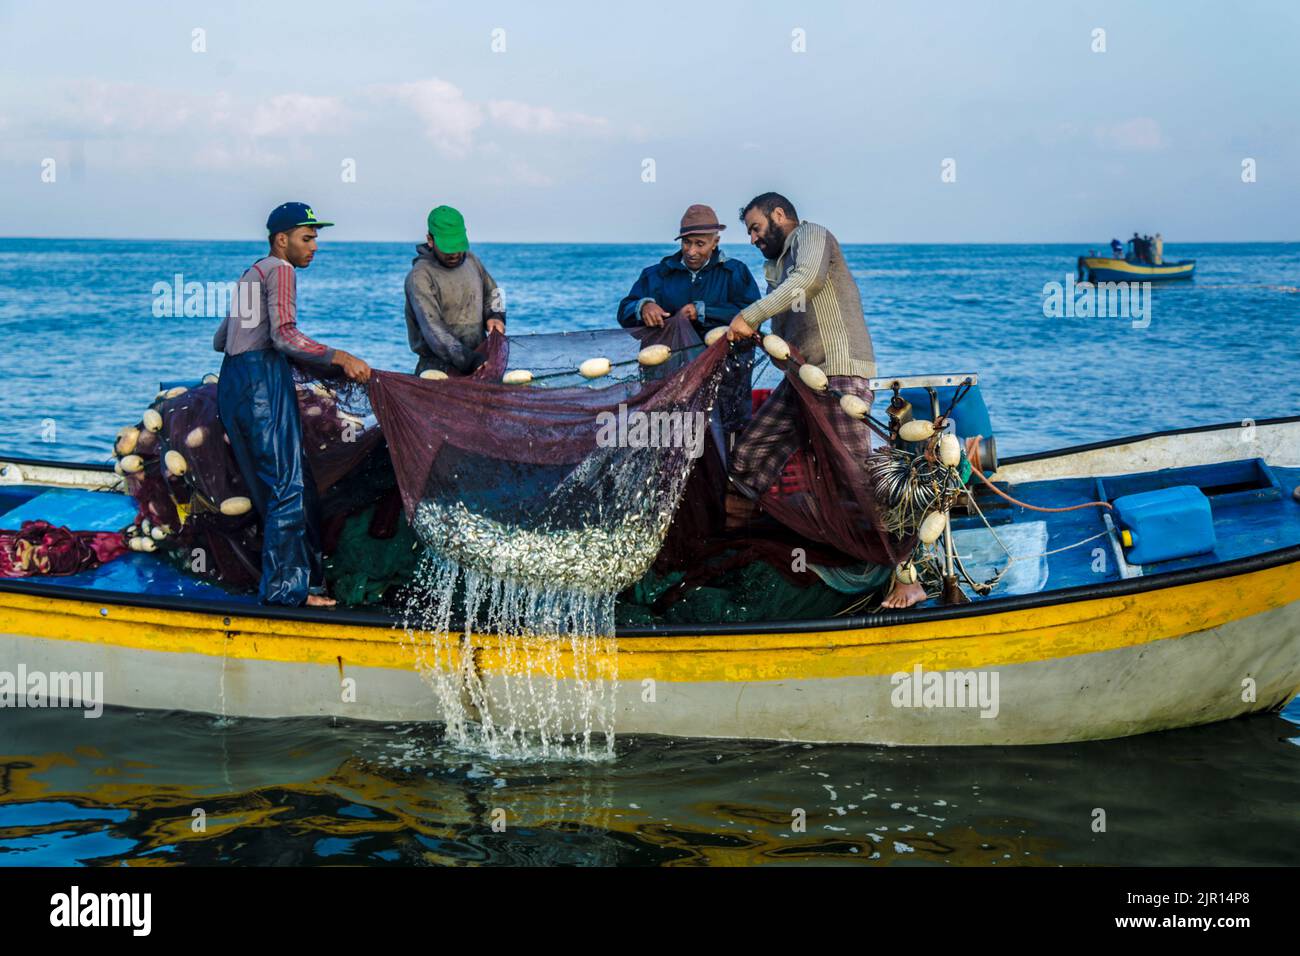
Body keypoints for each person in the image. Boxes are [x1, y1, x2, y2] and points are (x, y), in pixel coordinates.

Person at [723, 192, 925, 609]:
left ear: (780, 215)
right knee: (749, 456)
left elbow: (808, 280)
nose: (753, 239)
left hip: (838, 374)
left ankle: (908, 577)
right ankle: (730, 550)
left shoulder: (811, 235)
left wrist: (750, 316)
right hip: (802, 380)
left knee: (856, 477)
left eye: (756, 228)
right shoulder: (776, 267)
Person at [212, 202, 371, 607]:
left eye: (315, 237)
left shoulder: (253, 272)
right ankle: (287, 592)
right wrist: (340, 357)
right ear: (281, 241)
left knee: (274, 486)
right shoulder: (280, 271)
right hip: (261, 384)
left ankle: (299, 583)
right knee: (288, 486)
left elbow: (221, 339)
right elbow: (284, 336)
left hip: (233, 382)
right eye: (307, 237)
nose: (315, 245)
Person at [617, 203, 762, 437]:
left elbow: (753, 314)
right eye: (686, 243)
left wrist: (703, 312)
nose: (691, 251)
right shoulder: (657, 275)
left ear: (715, 242)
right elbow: (624, 311)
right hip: (667, 387)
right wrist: (643, 306)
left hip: (724, 386)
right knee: (667, 444)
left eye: (700, 244)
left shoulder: (734, 273)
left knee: (723, 444)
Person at [404, 205, 506, 376]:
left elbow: (494, 292)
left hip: (479, 361)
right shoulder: (420, 277)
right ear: (430, 240)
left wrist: (496, 316)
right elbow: (433, 331)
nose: (454, 254)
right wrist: (471, 361)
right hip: (438, 369)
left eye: (457, 247)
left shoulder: (472, 261)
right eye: (447, 248)